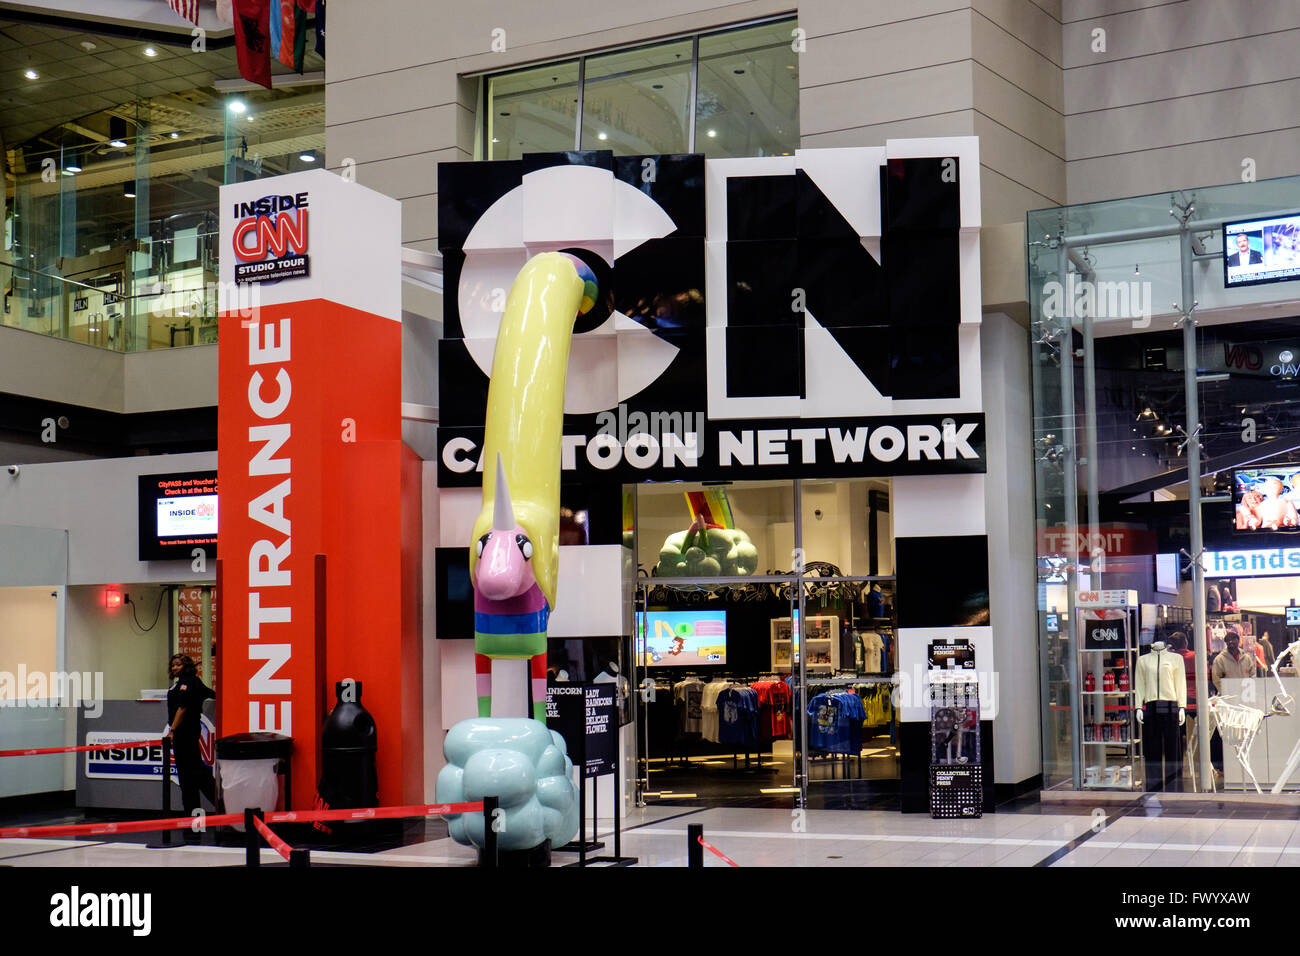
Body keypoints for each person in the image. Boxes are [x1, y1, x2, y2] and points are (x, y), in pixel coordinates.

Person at [164, 653, 215, 834]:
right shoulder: (183, 683)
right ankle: (194, 821)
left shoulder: (189, 682)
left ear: (186, 666)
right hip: (186, 734)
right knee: (188, 779)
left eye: (178, 664)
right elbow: (210, 693)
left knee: (194, 774)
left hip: (185, 733)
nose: (174, 668)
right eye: (173, 665)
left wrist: (173, 731)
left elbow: (183, 708)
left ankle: (223, 807)